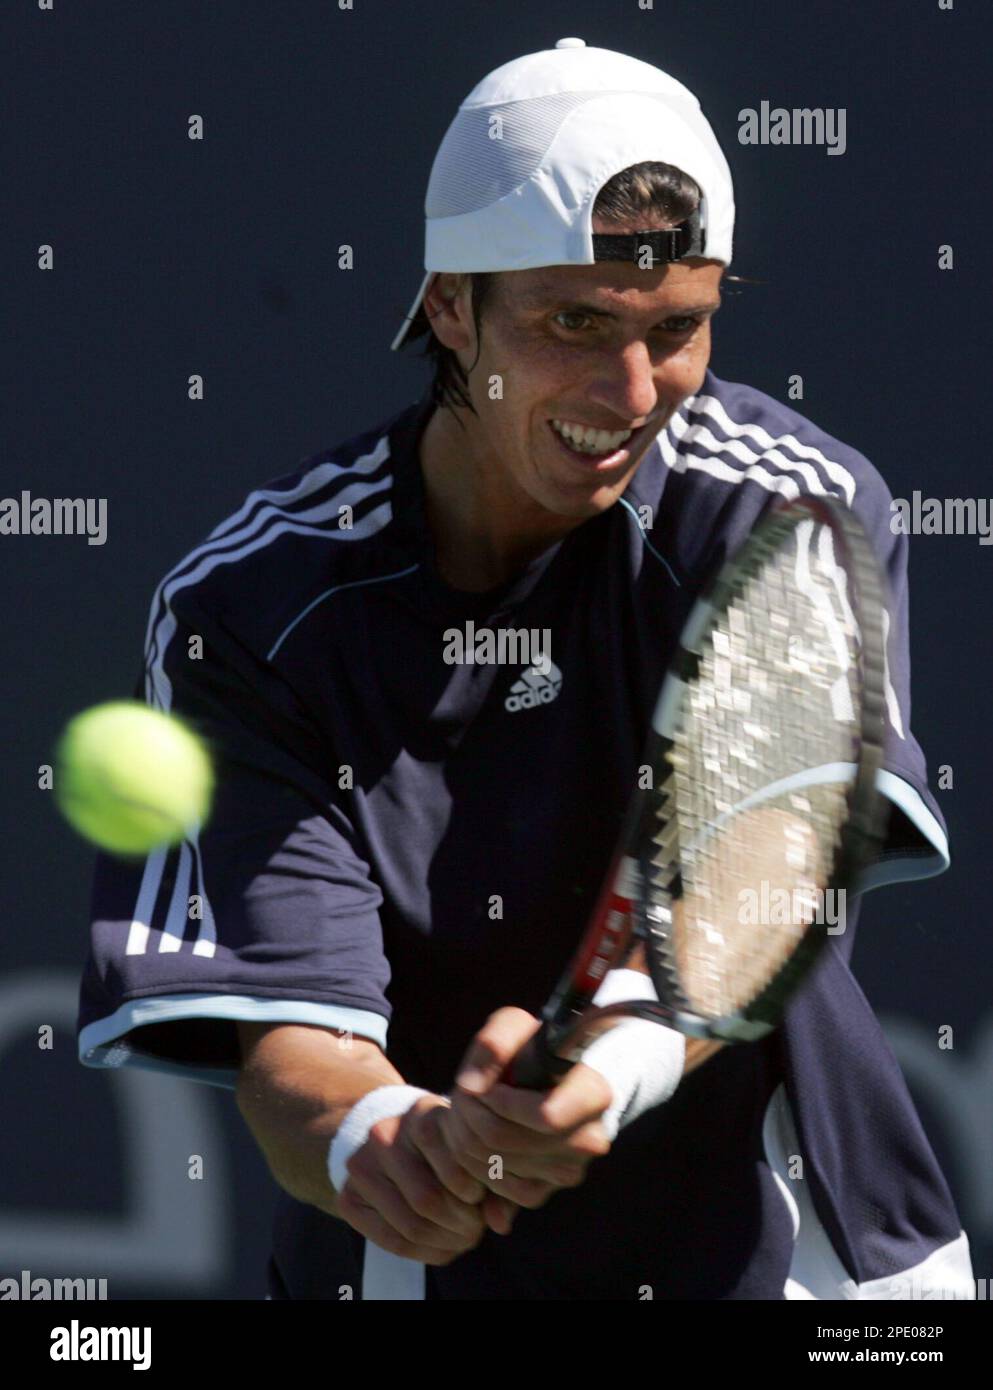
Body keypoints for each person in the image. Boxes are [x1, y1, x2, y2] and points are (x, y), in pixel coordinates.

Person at [78, 38, 974, 1300]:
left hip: (817, 1269)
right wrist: (372, 1143)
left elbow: (762, 877)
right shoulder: (252, 611)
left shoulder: (791, 513)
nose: (630, 391)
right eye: (573, 323)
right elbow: (294, 1031)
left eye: (679, 330)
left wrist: (604, 1067)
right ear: (452, 305)